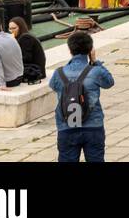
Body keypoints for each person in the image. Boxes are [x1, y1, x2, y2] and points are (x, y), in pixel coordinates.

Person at [49, 29, 115, 162]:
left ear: (70, 50)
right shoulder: (96, 71)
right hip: (93, 126)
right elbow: (109, 82)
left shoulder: (59, 73)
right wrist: (95, 61)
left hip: (66, 126)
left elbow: (54, 87)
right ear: (90, 49)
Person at [9, 16, 46, 83]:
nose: (12, 31)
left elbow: (26, 58)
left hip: (35, 71)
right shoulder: (23, 37)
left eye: (14, 28)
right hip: (34, 69)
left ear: (20, 27)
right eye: (10, 29)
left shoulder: (25, 38)